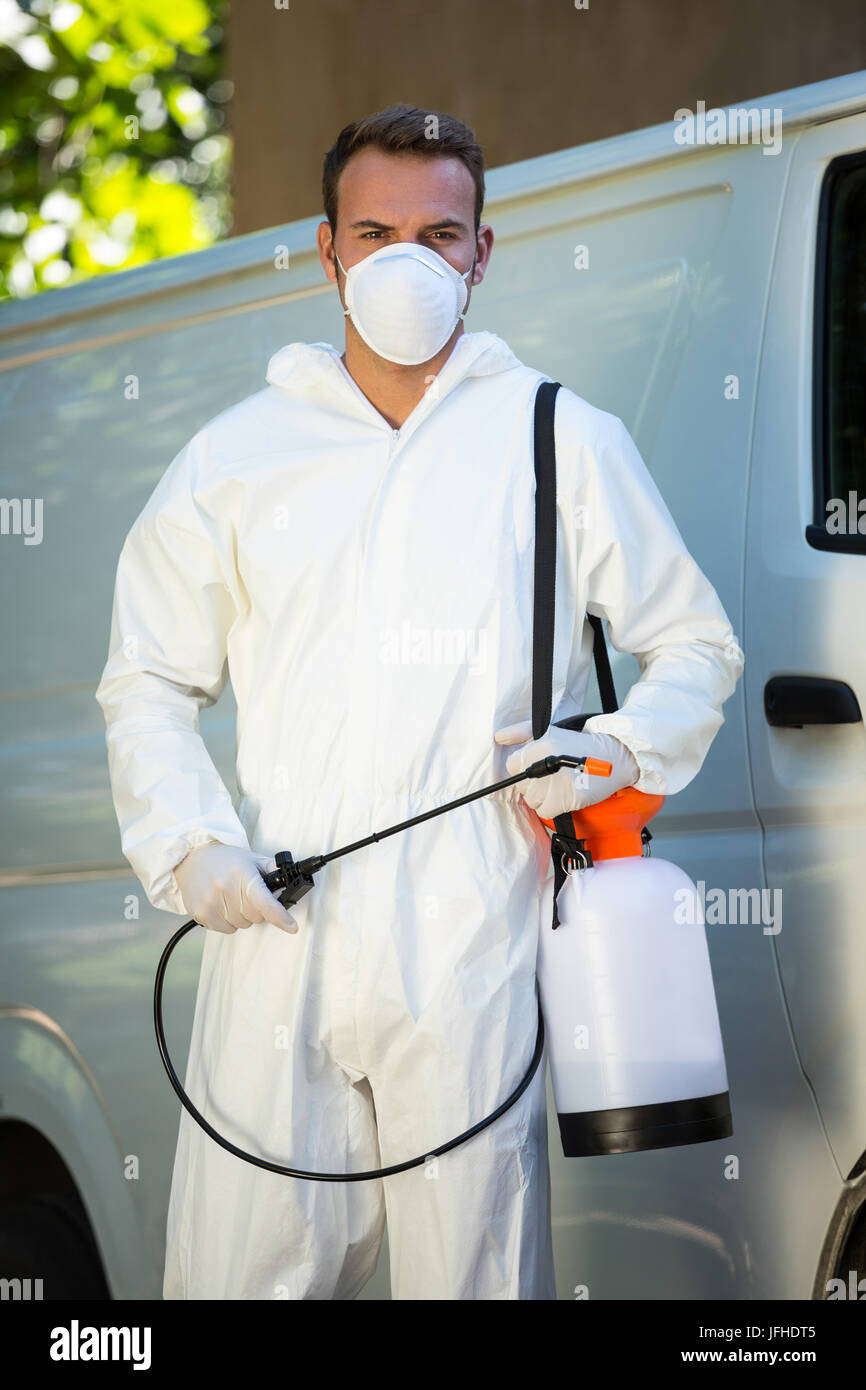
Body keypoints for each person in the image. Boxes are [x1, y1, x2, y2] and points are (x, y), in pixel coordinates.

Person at [95, 103, 745, 1302]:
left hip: (470, 937)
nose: (406, 261)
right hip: (273, 927)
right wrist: (188, 845)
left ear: (482, 252)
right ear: (328, 249)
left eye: (439, 234)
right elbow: (149, 675)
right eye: (374, 230)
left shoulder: (558, 438)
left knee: (475, 1281)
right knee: (244, 1281)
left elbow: (694, 645)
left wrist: (604, 750)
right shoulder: (237, 456)